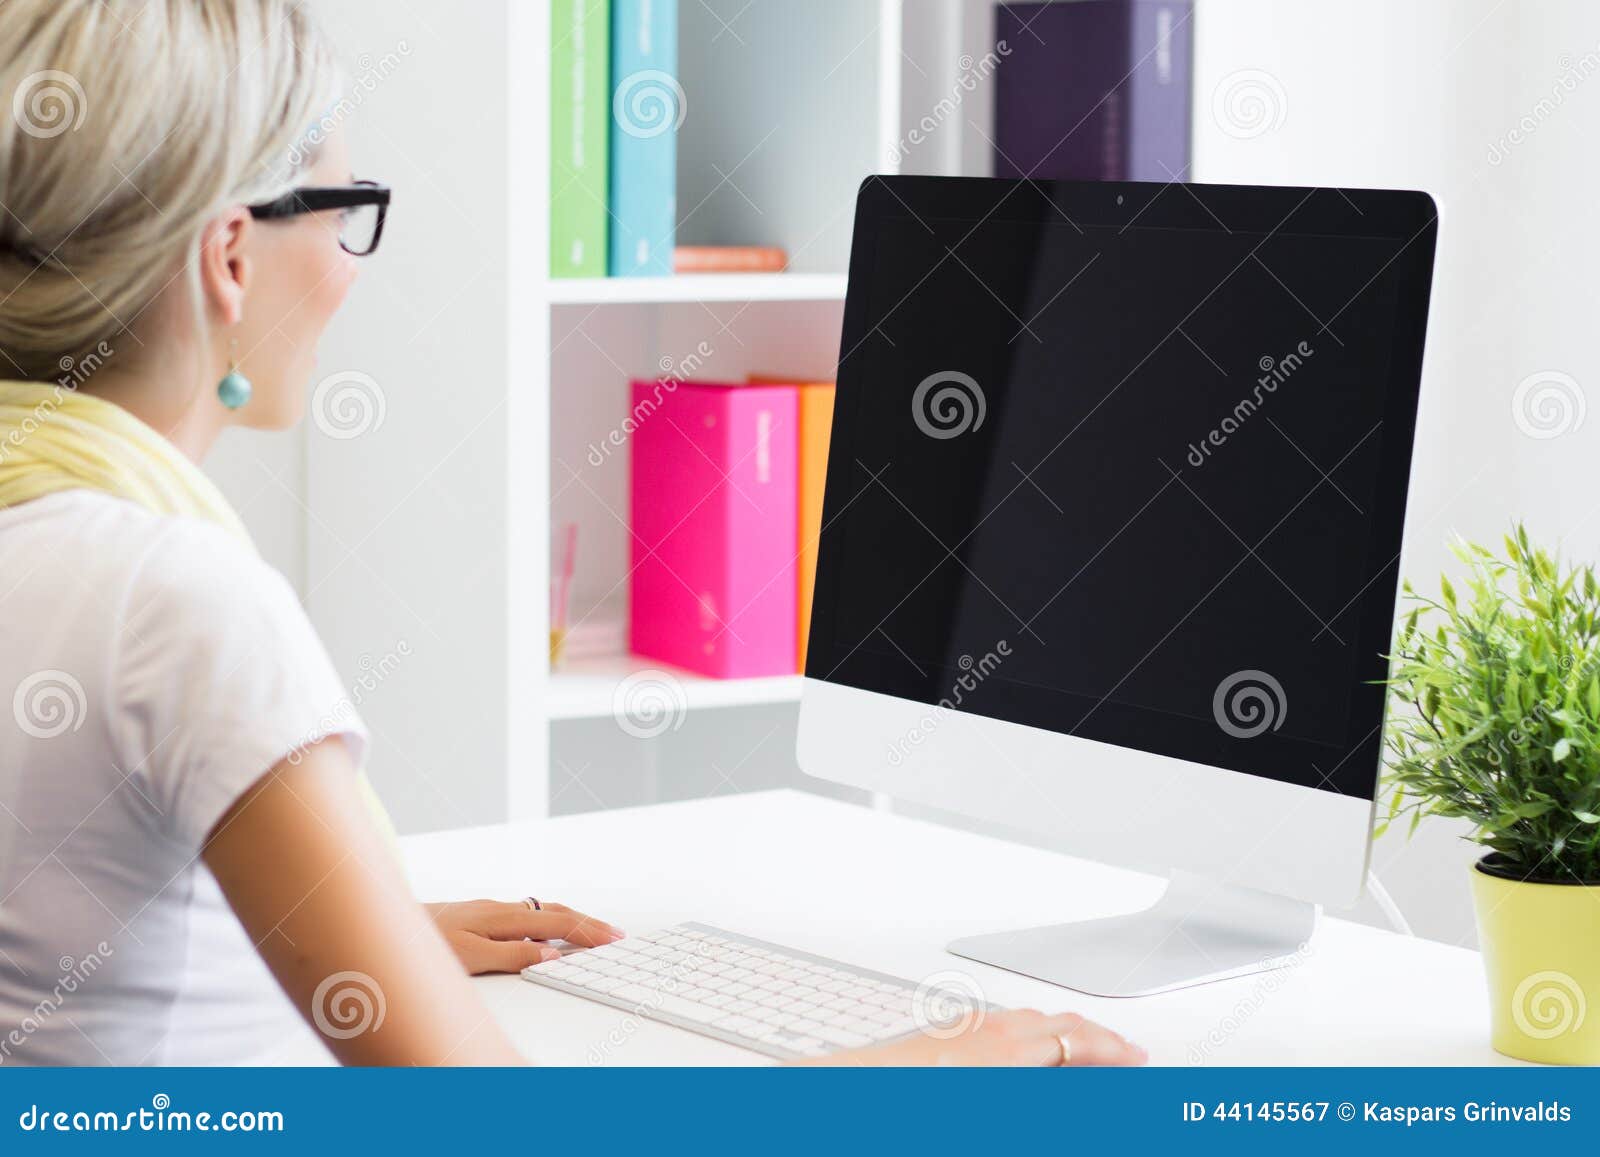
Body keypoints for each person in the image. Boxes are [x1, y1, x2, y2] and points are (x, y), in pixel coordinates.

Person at [0, 0, 1146, 1068]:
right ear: (232, 256)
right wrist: (942, 1060)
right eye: (348, 216)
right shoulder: (175, 600)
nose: (353, 270)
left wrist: (371, 938)